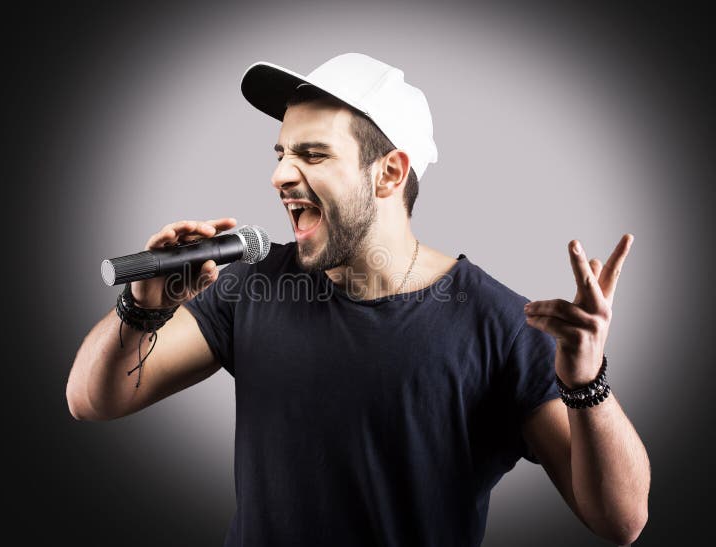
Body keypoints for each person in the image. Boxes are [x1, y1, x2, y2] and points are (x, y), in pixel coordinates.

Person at [67, 53, 650, 546]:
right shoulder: (251, 283)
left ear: (390, 173)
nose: (280, 177)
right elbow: (92, 399)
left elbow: (620, 521)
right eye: (281, 154)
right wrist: (144, 305)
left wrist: (586, 382)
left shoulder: (500, 325)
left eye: (313, 155)